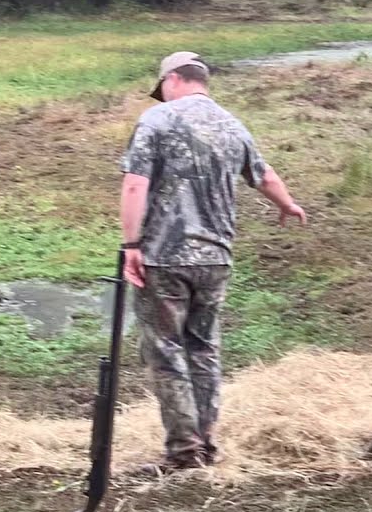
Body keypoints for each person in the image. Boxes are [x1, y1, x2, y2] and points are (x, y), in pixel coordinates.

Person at [118, 51, 308, 471]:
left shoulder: (157, 120)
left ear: (172, 79)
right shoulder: (232, 124)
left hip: (165, 258)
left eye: (161, 88)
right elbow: (264, 175)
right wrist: (288, 205)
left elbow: (135, 185)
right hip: (216, 259)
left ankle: (185, 452)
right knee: (203, 349)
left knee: (166, 350)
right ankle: (206, 441)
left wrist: (132, 244)